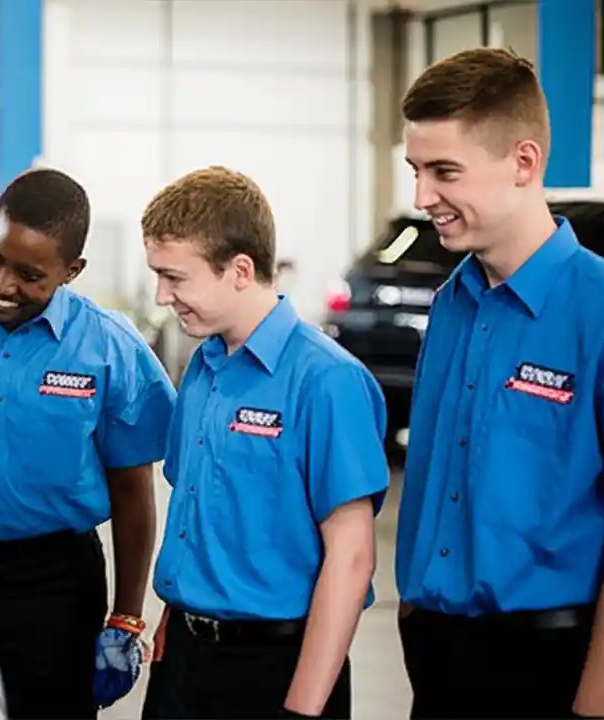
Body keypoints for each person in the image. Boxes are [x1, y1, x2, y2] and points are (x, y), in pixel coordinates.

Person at [395, 47, 604, 720]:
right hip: (439, 661)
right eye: (416, 171)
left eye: (445, 172)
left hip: (551, 668)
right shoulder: (451, 304)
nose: (422, 198)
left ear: (524, 162)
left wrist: (598, 707)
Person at [0, 167, 176, 718]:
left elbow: (132, 492)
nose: (2, 283)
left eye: (30, 274)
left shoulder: (110, 349)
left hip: (54, 589)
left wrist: (126, 615)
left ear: (72, 271)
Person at [139, 165, 388, 719]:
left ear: (240, 270)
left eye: (175, 277)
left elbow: (351, 559)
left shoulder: (326, 381)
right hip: (183, 658)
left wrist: (302, 707)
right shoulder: (204, 368)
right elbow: (195, 514)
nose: (162, 296)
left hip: (276, 666)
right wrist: (172, 621)